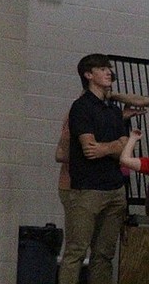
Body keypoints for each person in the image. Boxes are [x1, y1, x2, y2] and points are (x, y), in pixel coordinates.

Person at [59, 54, 129, 284]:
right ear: (88, 75)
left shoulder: (113, 109)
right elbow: (89, 149)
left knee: (104, 255)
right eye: (102, 68)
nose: (109, 72)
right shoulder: (81, 107)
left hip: (114, 189)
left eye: (109, 68)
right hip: (87, 190)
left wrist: (108, 148)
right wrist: (116, 146)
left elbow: (124, 149)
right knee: (76, 252)